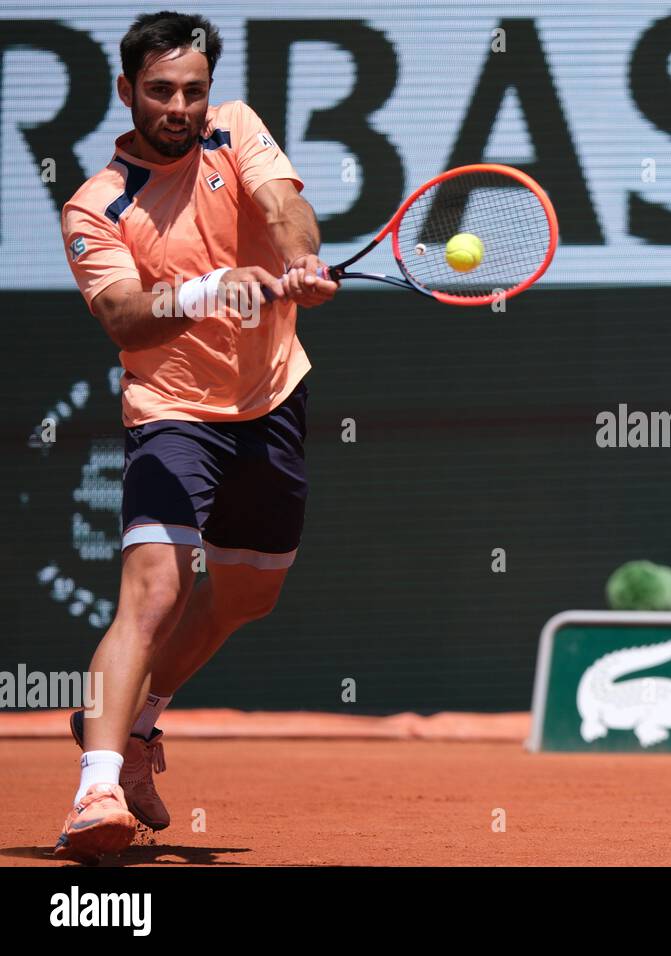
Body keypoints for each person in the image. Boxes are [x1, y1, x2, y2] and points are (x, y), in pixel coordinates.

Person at [56, 10, 337, 863]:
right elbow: (123, 319)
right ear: (126, 92)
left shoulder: (237, 127)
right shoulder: (97, 206)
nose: (179, 107)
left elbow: (286, 211)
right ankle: (95, 789)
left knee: (248, 595)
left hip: (271, 398)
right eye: (160, 91)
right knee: (154, 592)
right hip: (174, 414)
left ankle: (139, 727)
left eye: (192, 90)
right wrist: (210, 288)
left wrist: (301, 262)